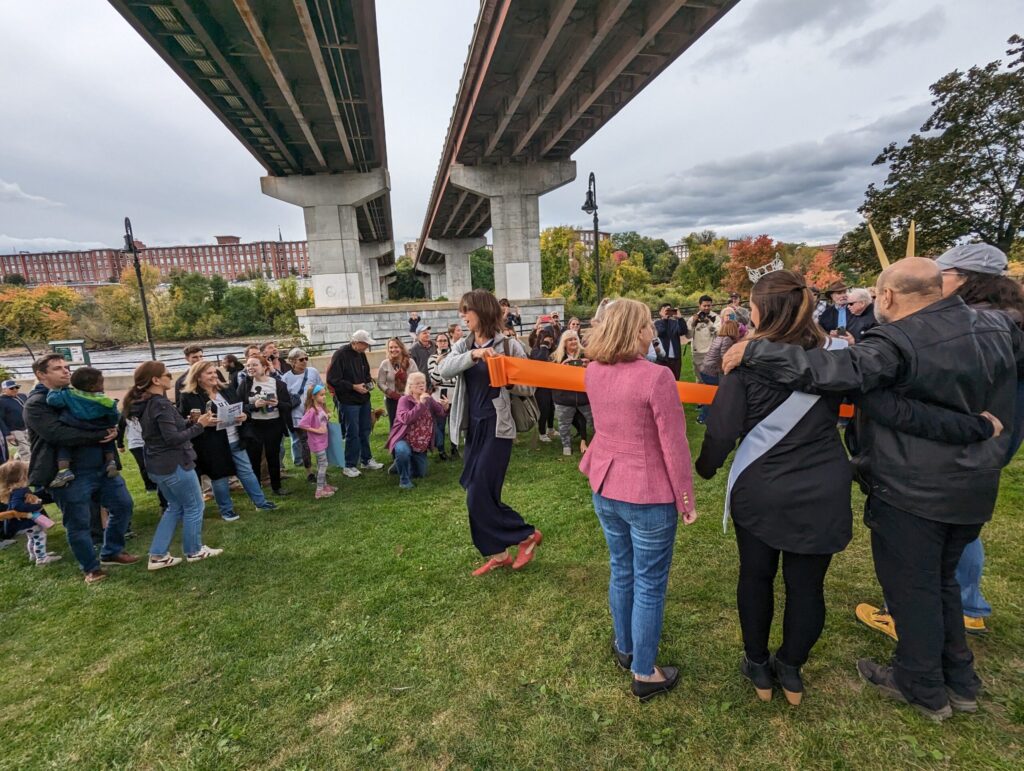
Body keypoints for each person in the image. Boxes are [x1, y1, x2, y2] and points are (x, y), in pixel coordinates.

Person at [722, 257, 1022, 722]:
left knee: (914, 588)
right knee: (942, 583)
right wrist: (982, 433)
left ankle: (922, 683)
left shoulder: (899, 338)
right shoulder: (995, 327)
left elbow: (848, 380)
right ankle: (959, 680)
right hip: (974, 482)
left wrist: (755, 352)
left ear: (884, 297)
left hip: (916, 485)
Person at [696, 271, 853, 706]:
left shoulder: (746, 361)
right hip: (823, 482)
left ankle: (758, 662)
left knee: (756, 575)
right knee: (808, 586)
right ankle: (791, 666)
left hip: (763, 486)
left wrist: (706, 468)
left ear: (762, 308)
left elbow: (723, 429)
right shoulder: (836, 356)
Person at [857, 244, 1024, 640]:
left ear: (966, 279)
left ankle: (922, 653)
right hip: (975, 453)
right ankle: (960, 620)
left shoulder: (976, 326)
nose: (936, 282)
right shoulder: (999, 323)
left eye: (942, 274)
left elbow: (937, 399)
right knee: (947, 556)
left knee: (922, 568)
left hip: (945, 459)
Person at [580, 298, 698, 702]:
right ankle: (644, 672)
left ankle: (625, 645)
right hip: (646, 493)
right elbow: (674, 445)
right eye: (647, 325)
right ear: (635, 331)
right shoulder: (656, 377)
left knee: (622, 569)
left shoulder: (593, 370)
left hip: (605, 484)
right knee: (648, 582)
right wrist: (686, 498)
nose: (652, 331)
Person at [437, 290, 541, 576]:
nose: (463, 316)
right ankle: (498, 553)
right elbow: (444, 370)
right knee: (478, 493)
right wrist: (474, 354)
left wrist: (506, 379)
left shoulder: (509, 345)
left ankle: (526, 534)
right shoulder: (463, 344)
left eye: (466, 310)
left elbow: (530, 386)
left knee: (479, 494)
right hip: (473, 427)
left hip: (498, 428)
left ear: (481, 311)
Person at [24, 354, 137, 583]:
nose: (66, 371)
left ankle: (112, 551)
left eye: (67, 367)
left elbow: (102, 414)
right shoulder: (37, 403)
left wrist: (111, 429)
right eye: (58, 368)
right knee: (78, 523)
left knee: (123, 505)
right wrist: (101, 434)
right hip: (68, 473)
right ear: (41, 374)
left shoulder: (79, 394)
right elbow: (58, 434)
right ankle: (91, 568)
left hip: (102, 467)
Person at [125, 361, 222, 570]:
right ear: (156, 380)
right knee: (194, 506)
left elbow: (164, 431)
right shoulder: (159, 403)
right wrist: (199, 426)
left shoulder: (147, 402)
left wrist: (189, 421)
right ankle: (194, 551)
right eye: (167, 374)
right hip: (174, 463)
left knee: (175, 507)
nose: (171, 377)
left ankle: (158, 555)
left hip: (158, 464)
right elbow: (172, 439)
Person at [179, 360, 276, 519]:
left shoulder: (226, 389)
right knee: (219, 477)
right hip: (212, 443)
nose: (213, 376)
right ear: (198, 377)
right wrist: (202, 423)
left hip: (236, 438)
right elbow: (185, 420)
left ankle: (261, 502)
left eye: (214, 372)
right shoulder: (188, 396)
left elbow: (241, 406)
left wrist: (245, 415)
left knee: (247, 472)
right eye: (209, 373)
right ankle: (226, 510)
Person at [45, 367, 120, 487]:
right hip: (98, 426)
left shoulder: (68, 394)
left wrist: (55, 389)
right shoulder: (104, 400)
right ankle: (111, 461)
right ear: (92, 387)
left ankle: (64, 470)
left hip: (76, 425)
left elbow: (53, 401)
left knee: (64, 446)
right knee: (107, 438)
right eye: (101, 383)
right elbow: (114, 416)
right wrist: (112, 423)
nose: (103, 385)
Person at [326, 330, 384, 478]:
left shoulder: (361, 354)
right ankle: (349, 464)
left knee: (365, 430)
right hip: (348, 400)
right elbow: (333, 379)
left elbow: (366, 373)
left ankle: (366, 459)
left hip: (363, 398)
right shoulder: (340, 355)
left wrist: (368, 382)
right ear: (356, 342)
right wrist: (353, 386)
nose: (366, 347)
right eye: (365, 344)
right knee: (352, 433)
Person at [238, 353, 292, 496]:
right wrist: (254, 405)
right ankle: (256, 490)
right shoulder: (245, 384)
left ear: (264, 367)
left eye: (255, 364)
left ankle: (276, 487)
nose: (251, 367)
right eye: (248, 365)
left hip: (273, 424)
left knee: (273, 456)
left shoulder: (278, 384)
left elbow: (288, 405)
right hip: (254, 425)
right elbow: (238, 406)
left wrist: (278, 404)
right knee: (253, 458)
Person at [385, 373, 448, 490]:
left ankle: (398, 465)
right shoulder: (404, 400)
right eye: (418, 383)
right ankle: (404, 479)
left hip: (420, 443)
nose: (421, 385)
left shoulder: (428, 399)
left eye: (423, 383)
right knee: (402, 451)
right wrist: (421, 404)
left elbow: (440, 413)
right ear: (410, 386)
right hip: (404, 438)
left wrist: (445, 407)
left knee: (420, 474)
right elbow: (406, 418)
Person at [0, 459, 59, 565]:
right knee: (39, 536)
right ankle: (41, 559)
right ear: (20, 476)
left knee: (32, 538)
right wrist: (36, 505)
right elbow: (17, 506)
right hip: (28, 520)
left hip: (25, 521)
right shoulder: (19, 491)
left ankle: (35, 554)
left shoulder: (16, 490)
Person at [282, 347, 322, 479]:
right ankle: (309, 472)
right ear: (292, 362)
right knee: (305, 444)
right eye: (301, 359)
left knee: (318, 442)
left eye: (306, 358)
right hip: (298, 416)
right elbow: (284, 398)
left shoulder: (313, 372)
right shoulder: (286, 378)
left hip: (314, 414)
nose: (305, 361)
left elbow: (321, 389)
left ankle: (321, 468)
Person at [551, 330, 592, 456]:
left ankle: (598, 444)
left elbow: (597, 372)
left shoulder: (586, 354)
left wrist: (589, 365)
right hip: (563, 398)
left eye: (575, 339)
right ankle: (566, 446)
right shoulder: (555, 357)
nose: (573, 341)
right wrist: (561, 368)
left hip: (584, 396)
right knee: (564, 424)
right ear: (564, 343)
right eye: (570, 339)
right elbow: (551, 377)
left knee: (594, 420)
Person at [696, 318, 740, 425]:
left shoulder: (719, 337)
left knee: (712, 395)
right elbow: (725, 356)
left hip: (705, 370)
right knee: (714, 396)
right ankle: (703, 418)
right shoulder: (727, 339)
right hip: (711, 372)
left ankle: (707, 416)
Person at [297, 384, 336, 499]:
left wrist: (327, 416)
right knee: (323, 465)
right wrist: (317, 430)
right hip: (317, 443)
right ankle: (319, 490)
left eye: (325, 395)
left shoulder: (320, 408)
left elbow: (321, 420)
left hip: (322, 441)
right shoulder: (311, 411)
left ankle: (324, 486)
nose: (324, 397)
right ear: (313, 397)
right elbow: (302, 424)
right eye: (321, 395)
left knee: (321, 464)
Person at [377, 337, 419, 427]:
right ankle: (396, 441)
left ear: (401, 348)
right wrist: (390, 392)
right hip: (392, 400)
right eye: (391, 347)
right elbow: (380, 382)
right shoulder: (385, 363)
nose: (393, 350)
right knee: (395, 424)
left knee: (409, 423)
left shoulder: (410, 362)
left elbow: (417, 380)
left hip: (409, 398)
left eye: (396, 347)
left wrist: (405, 378)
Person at [427, 331, 455, 460]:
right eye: (440, 341)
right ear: (436, 343)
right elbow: (434, 380)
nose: (443, 343)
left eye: (445, 340)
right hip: (440, 396)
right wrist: (438, 363)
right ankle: (441, 450)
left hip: (454, 394)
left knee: (454, 423)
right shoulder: (432, 358)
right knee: (440, 425)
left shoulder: (455, 356)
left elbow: (457, 377)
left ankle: (454, 448)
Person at [529, 327, 557, 443]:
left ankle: (550, 428)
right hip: (540, 386)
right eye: (547, 340)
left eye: (551, 340)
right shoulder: (536, 351)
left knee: (551, 408)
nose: (550, 342)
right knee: (544, 409)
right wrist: (544, 346)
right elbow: (540, 361)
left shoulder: (552, 351)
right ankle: (542, 432)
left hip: (551, 384)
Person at [655, 304, 689, 380]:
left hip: (676, 359)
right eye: (665, 310)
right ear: (660, 312)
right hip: (662, 359)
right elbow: (661, 332)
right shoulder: (657, 323)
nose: (667, 312)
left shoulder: (674, 322)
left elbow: (683, 331)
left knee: (676, 380)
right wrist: (664, 319)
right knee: (662, 380)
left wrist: (680, 318)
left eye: (669, 310)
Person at [687, 296, 719, 379]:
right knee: (699, 378)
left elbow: (718, 333)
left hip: (712, 352)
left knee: (712, 378)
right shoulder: (693, 318)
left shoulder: (716, 317)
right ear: (699, 305)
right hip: (698, 353)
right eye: (704, 306)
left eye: (709, 306)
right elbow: (688, 336)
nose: (707, 308)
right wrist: (693, 324)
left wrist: (708, 322)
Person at [0, 380, 30, 462]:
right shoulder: (2, 401)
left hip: (27, 427)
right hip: (15, 430)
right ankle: (28, 470)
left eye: (17, 387)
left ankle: (18, 461)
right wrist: (7, 434)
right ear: (4, 390)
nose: (15, 389)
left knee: (32, 448)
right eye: (11, 388)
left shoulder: (22, 396)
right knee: (26, 451)